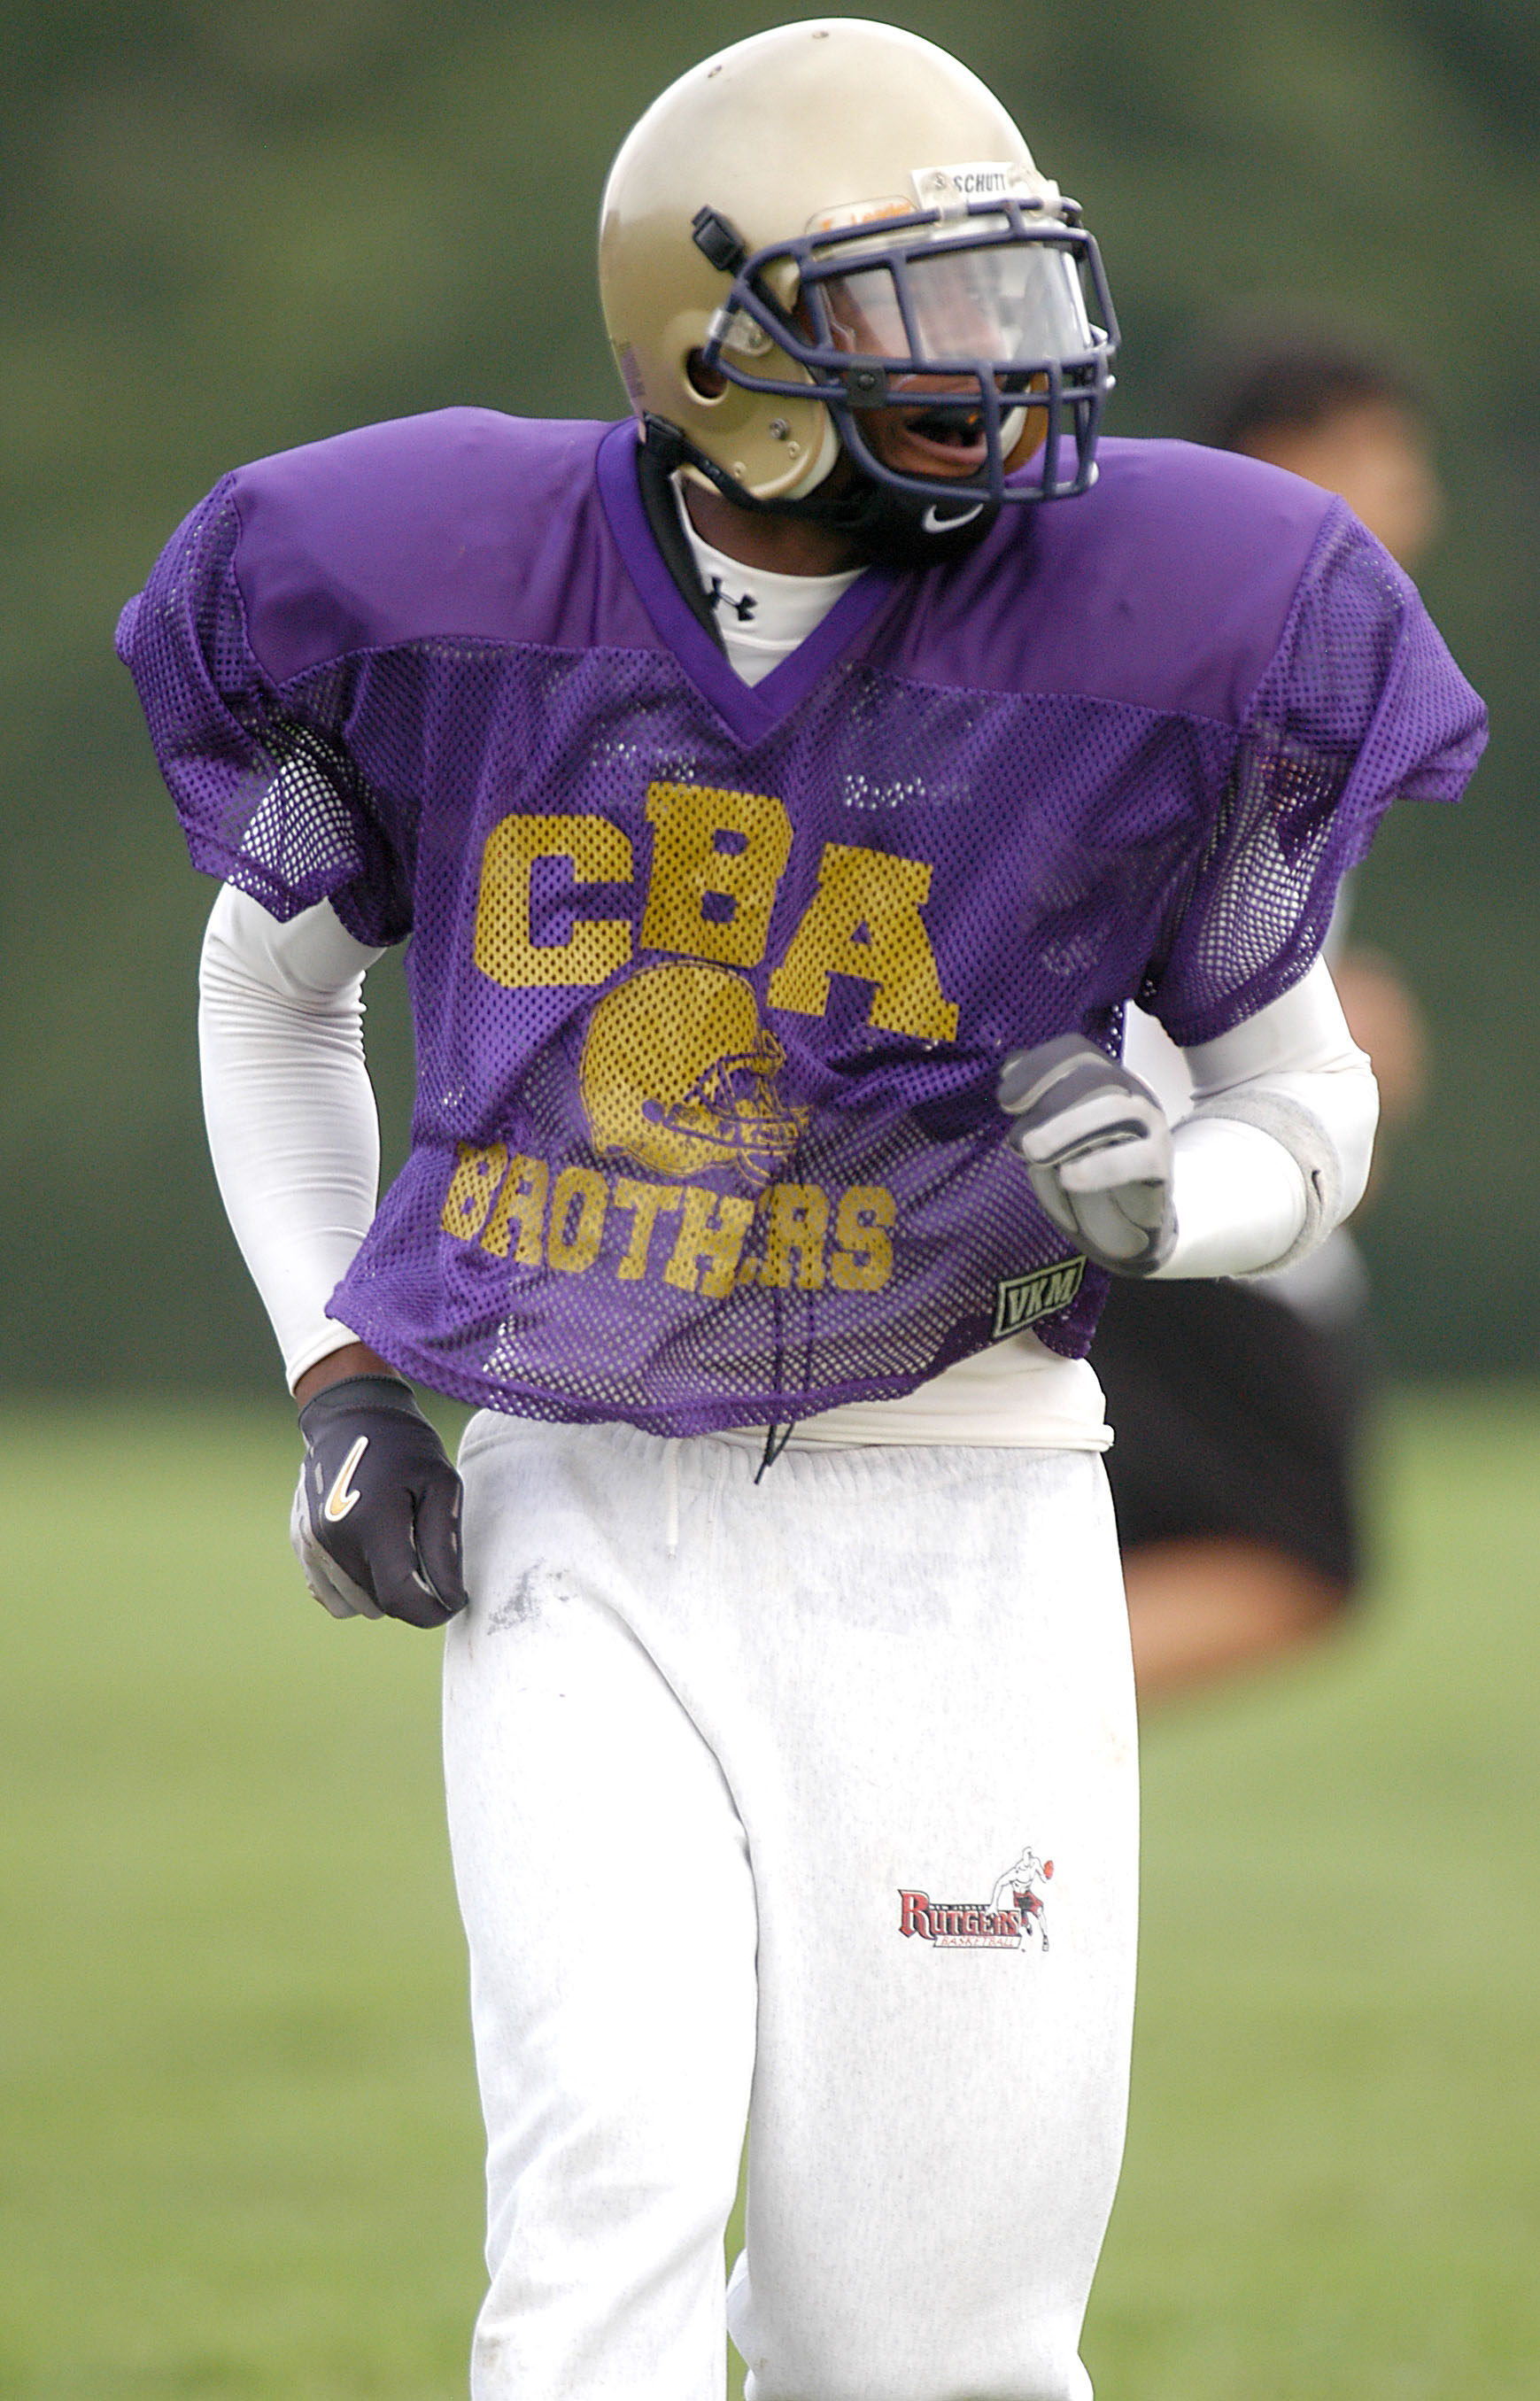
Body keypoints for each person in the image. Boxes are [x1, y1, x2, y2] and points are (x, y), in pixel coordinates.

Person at [117, 24, 1483, 2399]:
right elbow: (267, 1003)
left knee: (926, 2346)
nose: (1003, 366)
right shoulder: (448, 581)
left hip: (965, 1532)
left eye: (1008, 294)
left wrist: (1178, 1202)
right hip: (581, 1501)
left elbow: (1309, 1104)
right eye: (918, 312)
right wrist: (339, 1378)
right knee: (594, 2254)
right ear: (709, 341)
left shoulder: (1161, 602)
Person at [1095, 319, 1444, 1701]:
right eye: (1386, 459)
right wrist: (1324, 1068)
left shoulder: (1300, 661)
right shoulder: (1248, 669)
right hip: (1183, 1195)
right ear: (1289, 462)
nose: (1415, 498)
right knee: (1300, 1552)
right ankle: (974, 1721)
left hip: (1177, 1189)